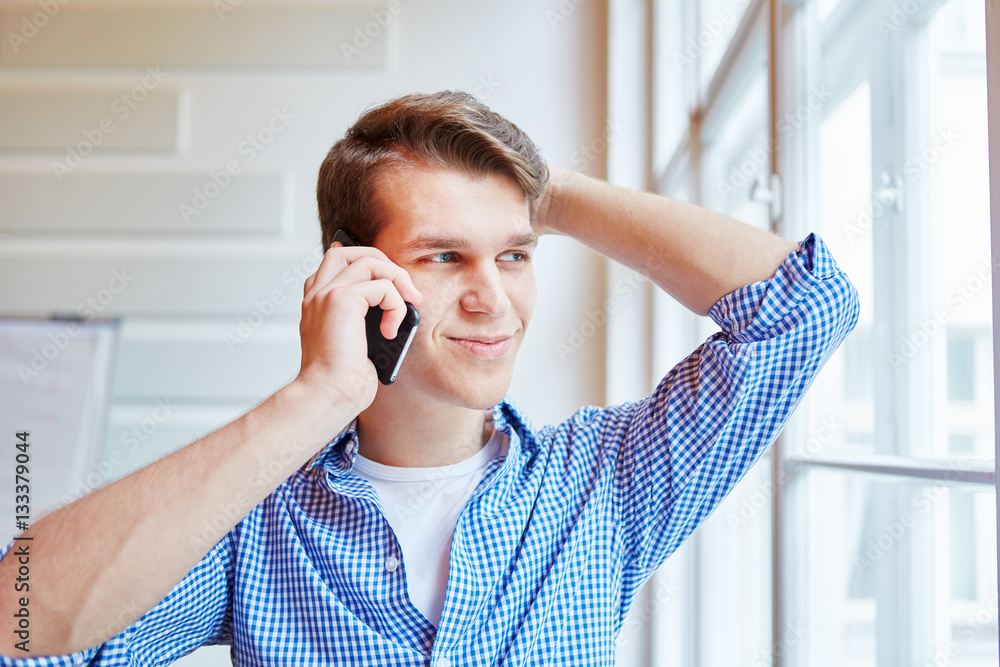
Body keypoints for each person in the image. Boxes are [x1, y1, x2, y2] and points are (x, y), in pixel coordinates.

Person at [0, 90, 858, 665]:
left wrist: (545, 190)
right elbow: (24, 623)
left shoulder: (604, 482)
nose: (493, 298)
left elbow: (806, 308)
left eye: (515, 254)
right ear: (354, 273)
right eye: (446, 254)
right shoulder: (254, 526)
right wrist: (318, 396)